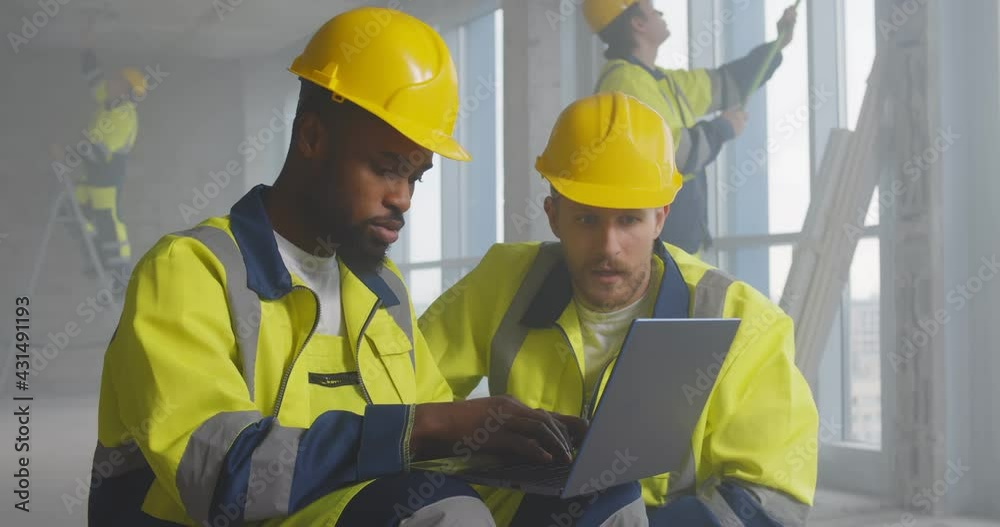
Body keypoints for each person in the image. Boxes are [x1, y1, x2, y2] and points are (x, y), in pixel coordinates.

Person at [88, 8, 646, 526]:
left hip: (343, 507)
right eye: (386, 169)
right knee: (440, 513)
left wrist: (510, 441)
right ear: (312, 138)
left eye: (415, 177)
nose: (403, 198)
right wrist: (430, 427)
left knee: (603, 495)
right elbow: (217, 479)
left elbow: (425, 445)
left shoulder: (381, 289)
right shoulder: (193, 272)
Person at [419, 91, 819, 526]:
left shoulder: (739, 318)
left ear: (661, 217)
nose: (609, 247)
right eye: (587, 219)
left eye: (629, 220)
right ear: (553, 216)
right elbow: (407, 395)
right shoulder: (504, 281)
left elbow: (769, 500)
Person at [586, 0, 798, 256]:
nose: (660, 12)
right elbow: (675, 156)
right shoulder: (626, 83)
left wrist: (777, 45)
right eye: (653, 10)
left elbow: (726, 83)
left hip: (671, 239)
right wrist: (723, 127)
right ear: (638, 23)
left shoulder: (658, 80)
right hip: (654, 246)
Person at [75, 20, 146, 284]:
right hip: (94, 170)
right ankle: (97, 260)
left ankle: (119, 274)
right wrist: (87, 49)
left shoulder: (124, 116)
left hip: (107, 173)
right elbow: (94, 80)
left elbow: (99, 152)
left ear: (127, 91)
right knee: (79, 211)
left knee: (108, 221)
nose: (111, 83)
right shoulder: (109, 101)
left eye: (117, 81)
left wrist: (68, 153)